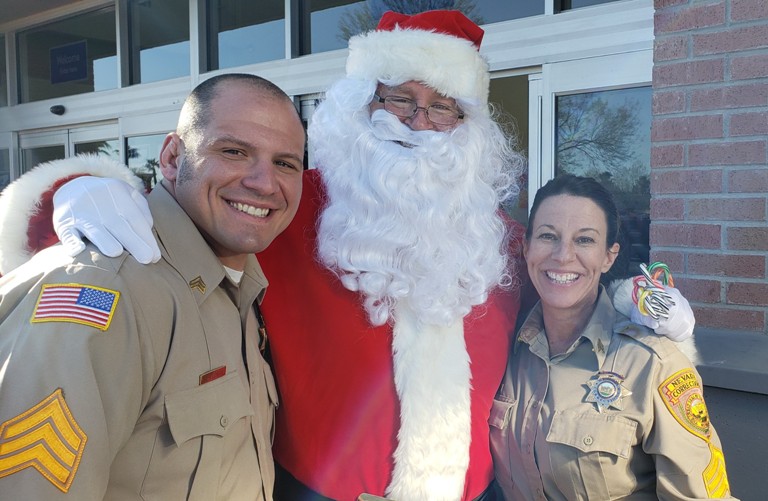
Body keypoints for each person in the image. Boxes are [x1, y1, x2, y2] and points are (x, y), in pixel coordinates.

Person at [0, 11, 694, 501]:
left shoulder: (498, 239)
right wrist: (88, 184)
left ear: (468, 127)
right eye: (400, 100)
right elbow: (196, 208)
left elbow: (566, 275)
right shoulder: (292, 208)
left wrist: (635, 297)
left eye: (442, 108)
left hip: (476, 490)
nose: (420, 122)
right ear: (363, 108)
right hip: (318, 487)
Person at [0, 73, 306, 499]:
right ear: (172, 157)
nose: (264, 183)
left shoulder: (238, 283)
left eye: (285, 163)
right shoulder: (107, 287)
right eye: (234, 151)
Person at [490, 174, 733, 500]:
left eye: (585, 240)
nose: (563, 255)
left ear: (609, 256)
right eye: (548, 236)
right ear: (526, 247)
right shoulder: (504, 350)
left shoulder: (653, 362)